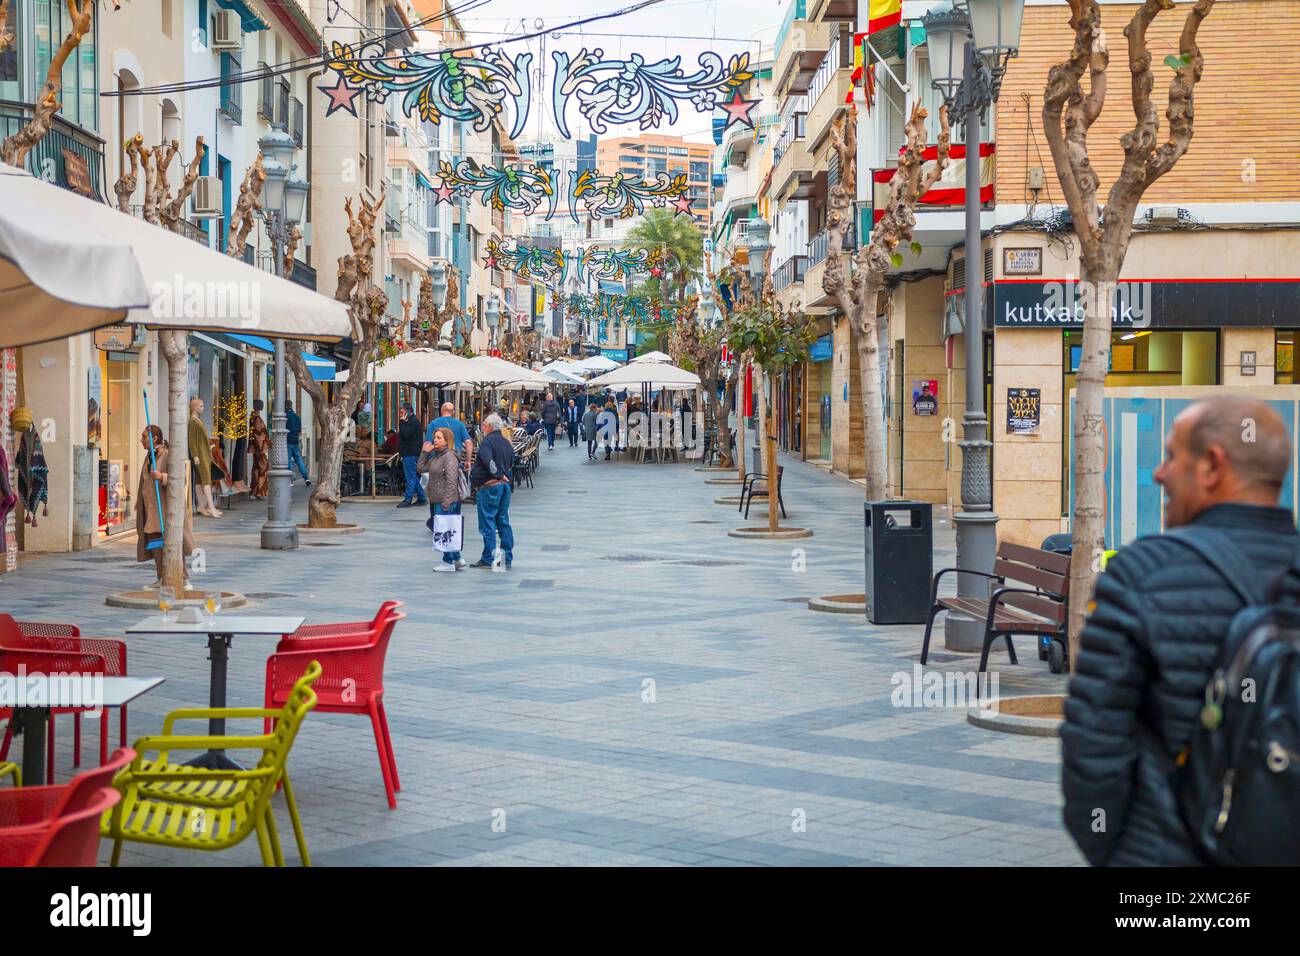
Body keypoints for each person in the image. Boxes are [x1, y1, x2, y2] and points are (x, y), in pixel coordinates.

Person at [1061, 396, 1298, 867]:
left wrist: (1113, 852)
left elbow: (1094, 747)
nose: (1159, 474)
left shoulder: (1139, 574)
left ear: (1212, 465)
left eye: (1171, 456)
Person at [135, 425, 195, 589]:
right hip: (151, 510)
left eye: (144, 437)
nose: (141, 440)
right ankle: (162, 577)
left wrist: (162, 476)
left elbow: (180, 479)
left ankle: (182, 578)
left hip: (165, 509)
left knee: (172, 543)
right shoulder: (149, 457)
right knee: (156, 544)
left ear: (154, 438)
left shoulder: (168, 456)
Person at [469, 413, 514, 569]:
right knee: (503, 521)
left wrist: (498, 475)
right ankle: (507, 556)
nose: (482, 427)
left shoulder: (487, 442)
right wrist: (504, 476)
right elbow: (511, 461)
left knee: (487, 522)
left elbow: (489, 461)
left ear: (489, 426)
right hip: (504, 487)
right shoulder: (506, 442)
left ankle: (488, 557)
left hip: (490, 486)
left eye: (483, 424)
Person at [418, 426, 466, 572]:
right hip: (437, 498)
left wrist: (447, 501)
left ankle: (448, 562)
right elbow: (421, 469)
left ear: (447, 441)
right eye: (435, 437)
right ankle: (457, 558)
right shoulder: (436, 456)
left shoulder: (449, 457)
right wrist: (425, 453)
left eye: (439, 438)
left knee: (445, 530)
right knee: (449, 529)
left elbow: (452, 480)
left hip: (446, 500)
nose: (435, 440)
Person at [188, 397, 221, 517]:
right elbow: (192, 440)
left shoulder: (197, 420)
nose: (203, 408)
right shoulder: (192, 421)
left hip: (204, 454)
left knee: (199, 481)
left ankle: (201, 506)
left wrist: (209, 445)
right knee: (206, 481)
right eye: (201, 406)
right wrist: (195, 455)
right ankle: (211, 508)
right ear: (195, 408)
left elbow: (200, 438)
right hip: (200, 456)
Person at [397, 402, 427, 508]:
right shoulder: (411, 421)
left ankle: (408, 499)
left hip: (410, 453)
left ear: (407, 412)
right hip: (409, 453)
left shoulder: (413, 422)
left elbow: (405, 434)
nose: (400, 414)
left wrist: (401, 423)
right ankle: (422, 497)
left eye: (402, 412)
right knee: (413, 475)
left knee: (410, 476)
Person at [248, 399, 270, 500]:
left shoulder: (254, 416)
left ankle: (255, 490)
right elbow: (258, 433)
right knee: (263, 468)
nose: (262, 405)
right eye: (261, 404)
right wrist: (261, 447)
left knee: (257, 468)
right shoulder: (256, 418)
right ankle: (260, 491)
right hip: (259, 448)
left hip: (257, 447)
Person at [285, 399, 310, 485]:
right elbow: (299, 429)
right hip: (295, 440)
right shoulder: (297, 416)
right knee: (299, 460)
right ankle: (306, 478)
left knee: (288, 460)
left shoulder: (285, 416)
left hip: (288, 441)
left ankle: (291, 479)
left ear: (285, 406)